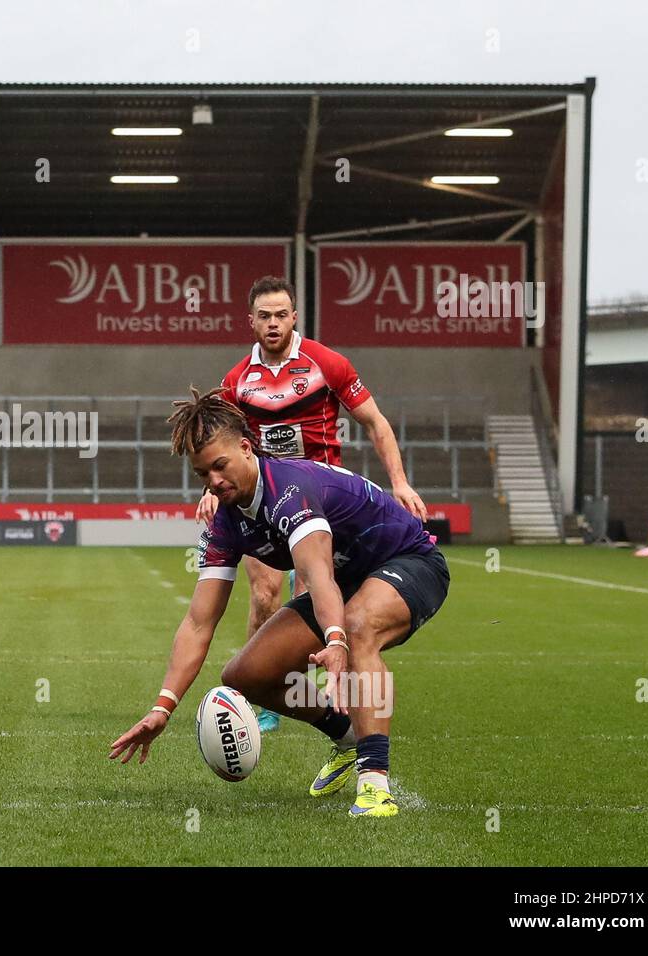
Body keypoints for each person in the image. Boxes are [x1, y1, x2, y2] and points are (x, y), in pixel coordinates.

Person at [110, 386, 449, 817]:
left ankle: (375, 783)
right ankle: (346, 737)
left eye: (219, 466)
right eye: (202, 474)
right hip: (347, 579)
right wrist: (163, 706)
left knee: (359, 625)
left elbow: (317, 575)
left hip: (409, 560)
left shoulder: (290, 489)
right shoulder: (224, 524)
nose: (214, 481)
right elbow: (199, 623)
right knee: (246, 673)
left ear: (246, 448)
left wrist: (336, 640)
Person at [196, 276, 429, 732]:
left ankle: (325, 692)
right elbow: (217, 443)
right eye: (264, 316)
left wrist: (399, 482)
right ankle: (262, 700)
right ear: (251, 322)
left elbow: (376, 423)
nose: (273, 323)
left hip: (317, 506)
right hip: (263, 504)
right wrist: (212, 489)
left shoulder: (327, 363)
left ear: (294, 316)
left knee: (312, 596)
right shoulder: (237, 379)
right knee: (264, 594)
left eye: (281, 314)